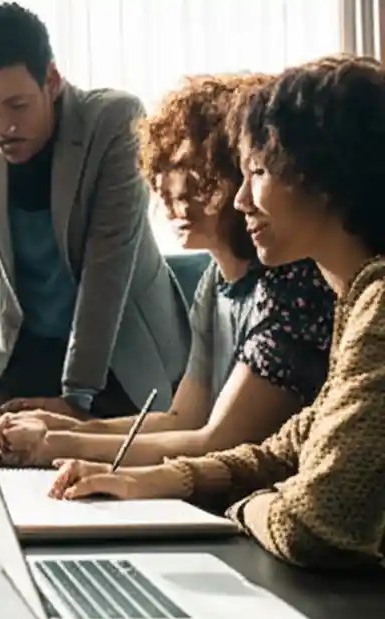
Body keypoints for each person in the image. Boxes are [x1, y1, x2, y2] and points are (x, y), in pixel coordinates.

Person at [53, 56, 385, 570]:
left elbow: (313, 524)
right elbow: (283, 451)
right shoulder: (359, 299)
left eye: (257, 172)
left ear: (322, 176)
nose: (242, 200)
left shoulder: (377, 304)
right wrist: (151, 481)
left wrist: (242, 507)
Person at [0, 74, 335, 468]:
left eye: (199, 178)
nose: (176, 199)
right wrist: (66, 426)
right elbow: (182, 419)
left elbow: (216, 441)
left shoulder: (289, 283)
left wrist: (55, 444)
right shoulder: (215, 281)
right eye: (166, 173)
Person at [0, 2, 190, 419]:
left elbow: (109, 265)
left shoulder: (113, 121)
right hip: (22, 346)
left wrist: (76, 398)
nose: (1, 127)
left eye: (17, 105)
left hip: (121, 348)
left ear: (51, 81)